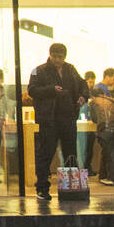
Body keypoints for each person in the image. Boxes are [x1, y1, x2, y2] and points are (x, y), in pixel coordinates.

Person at [27, 43, 86, 202]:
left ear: (65, 56)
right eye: (55, 56)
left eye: (61, 57)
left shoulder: (71, 69)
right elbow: (31, 90)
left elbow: (83, 85)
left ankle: (71, 189)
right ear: (50, 54)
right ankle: (42, 188)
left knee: (70, 154)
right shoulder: (37, 70)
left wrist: (82, 96)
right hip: (48, 119)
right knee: (46, 154)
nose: (58, 60)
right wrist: (51, 90)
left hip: (68, 118)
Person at [87, 89, 114, 186]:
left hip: (106, 130)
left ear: (93, 96)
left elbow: (94, 119)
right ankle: (108, 177)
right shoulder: (113, 100)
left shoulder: (93, 102)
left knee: (110, 154)